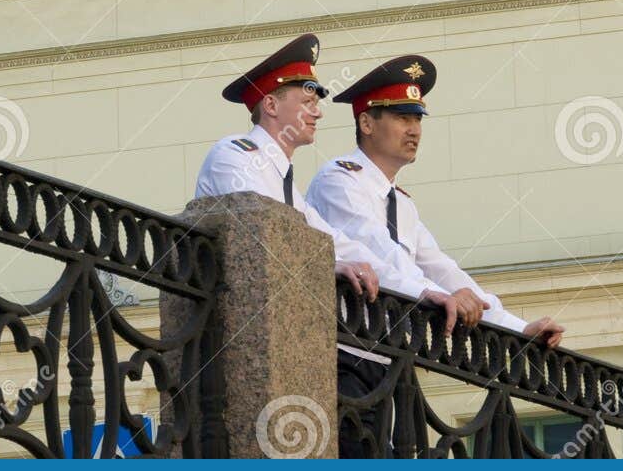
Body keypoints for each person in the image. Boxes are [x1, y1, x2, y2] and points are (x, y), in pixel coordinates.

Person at [307, 54, 566, 454]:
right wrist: (439, 296)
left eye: (418, 119)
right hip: (343, 355)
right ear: (366, 122)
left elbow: (442, 268)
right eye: (401, 117)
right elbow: (380, 255)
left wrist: (516, 328)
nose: (414, 130)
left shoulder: (403, 204)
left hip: (387, 359)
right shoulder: (339, 181)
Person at [194, 33, 464, 317]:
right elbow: (261, 237)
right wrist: (327, 264)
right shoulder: (235, 156)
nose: (318, 113)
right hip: (230, 325)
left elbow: (342, 245)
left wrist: (421, 291)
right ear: (271, 106)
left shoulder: (289, 190)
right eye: (308, 102)